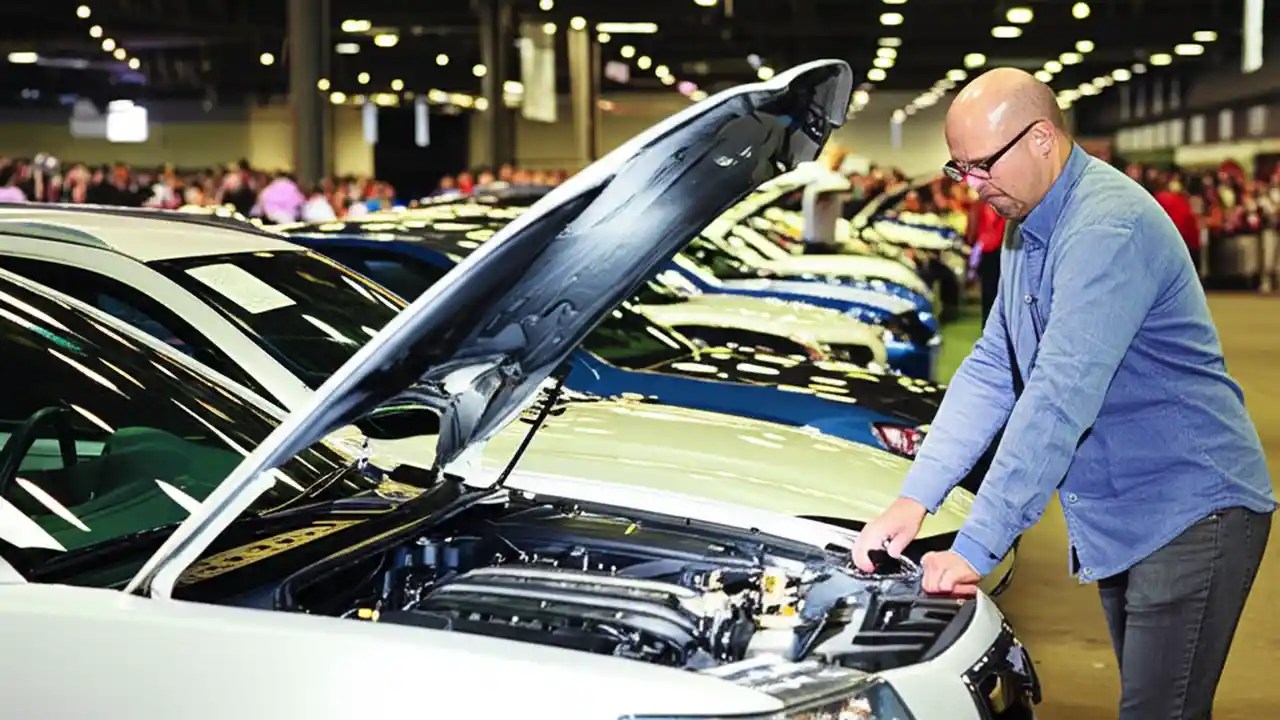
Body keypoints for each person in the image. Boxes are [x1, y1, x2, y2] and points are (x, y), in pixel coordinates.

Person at [850, 67, 1274, 720]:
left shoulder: (1106, 229)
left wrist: (976, 547)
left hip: (1193, 506)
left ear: (1042, 139)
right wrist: (916, 499)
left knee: (1160, 711)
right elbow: (995, 368)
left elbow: (1056, 398)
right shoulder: (1027, 227)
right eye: (960, 169)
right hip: (1125, 512)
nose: (973, 186)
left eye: (983, 165)